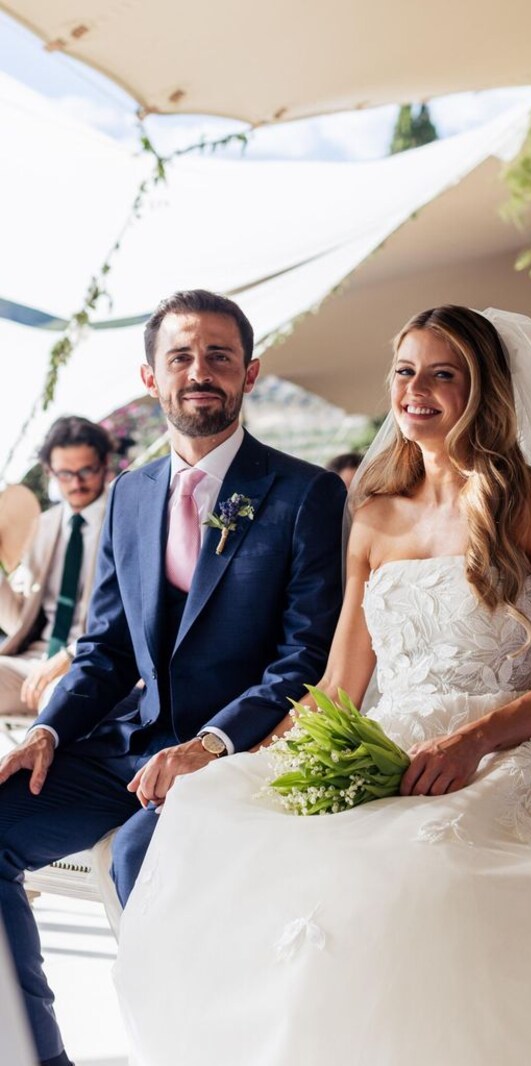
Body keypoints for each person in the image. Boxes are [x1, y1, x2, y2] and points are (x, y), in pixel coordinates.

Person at [115, 307, 531, 1066]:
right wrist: (225, 754)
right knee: (225, 819)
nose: (416, 390)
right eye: (404, 371)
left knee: (423, 872)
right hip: (389, 742)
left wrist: (473, 741)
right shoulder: (372, 517)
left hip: (511, 747)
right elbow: (336, 686)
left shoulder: (528, 501)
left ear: (480, 388)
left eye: (441, 373)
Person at [0, 289, 346, 1066]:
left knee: (142, 859)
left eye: (219, 356)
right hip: (128, 746)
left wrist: (211, 745)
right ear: (151, 377)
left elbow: (305, 659)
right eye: (181, 357)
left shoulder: (306, 495)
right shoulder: (130, 492)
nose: (200, 371)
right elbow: (107, 646)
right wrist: (48, 729)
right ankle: (36, 1054)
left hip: (241, 753)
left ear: (249, 373)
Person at [0, 417, 112, 716]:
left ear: (104, 464)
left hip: (85, 663)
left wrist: (68, 655)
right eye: (65, 474)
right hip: (30, 662)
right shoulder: (41, 527)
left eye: (86, 470)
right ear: (50, 472)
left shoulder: (124, 518)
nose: (76, 483)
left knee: (59, 703)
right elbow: (18, 623)